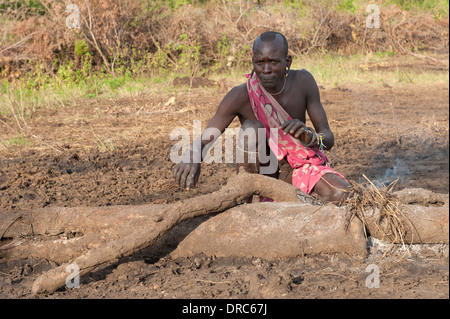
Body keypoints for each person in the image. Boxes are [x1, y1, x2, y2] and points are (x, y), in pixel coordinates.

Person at [173, 31, 350, 203]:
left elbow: (328, 139)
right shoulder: (240, 95)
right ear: (253, 62)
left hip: (300, 168)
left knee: (342, 193)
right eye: (260, 63)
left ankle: (298, 201)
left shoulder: (303, 82)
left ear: (287, 61)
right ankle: (245, 202)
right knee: (251, 129)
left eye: (273, 62)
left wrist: (311, 137)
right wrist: (191, 155)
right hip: (266, 177)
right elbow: (205, 139)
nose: (266, 70)